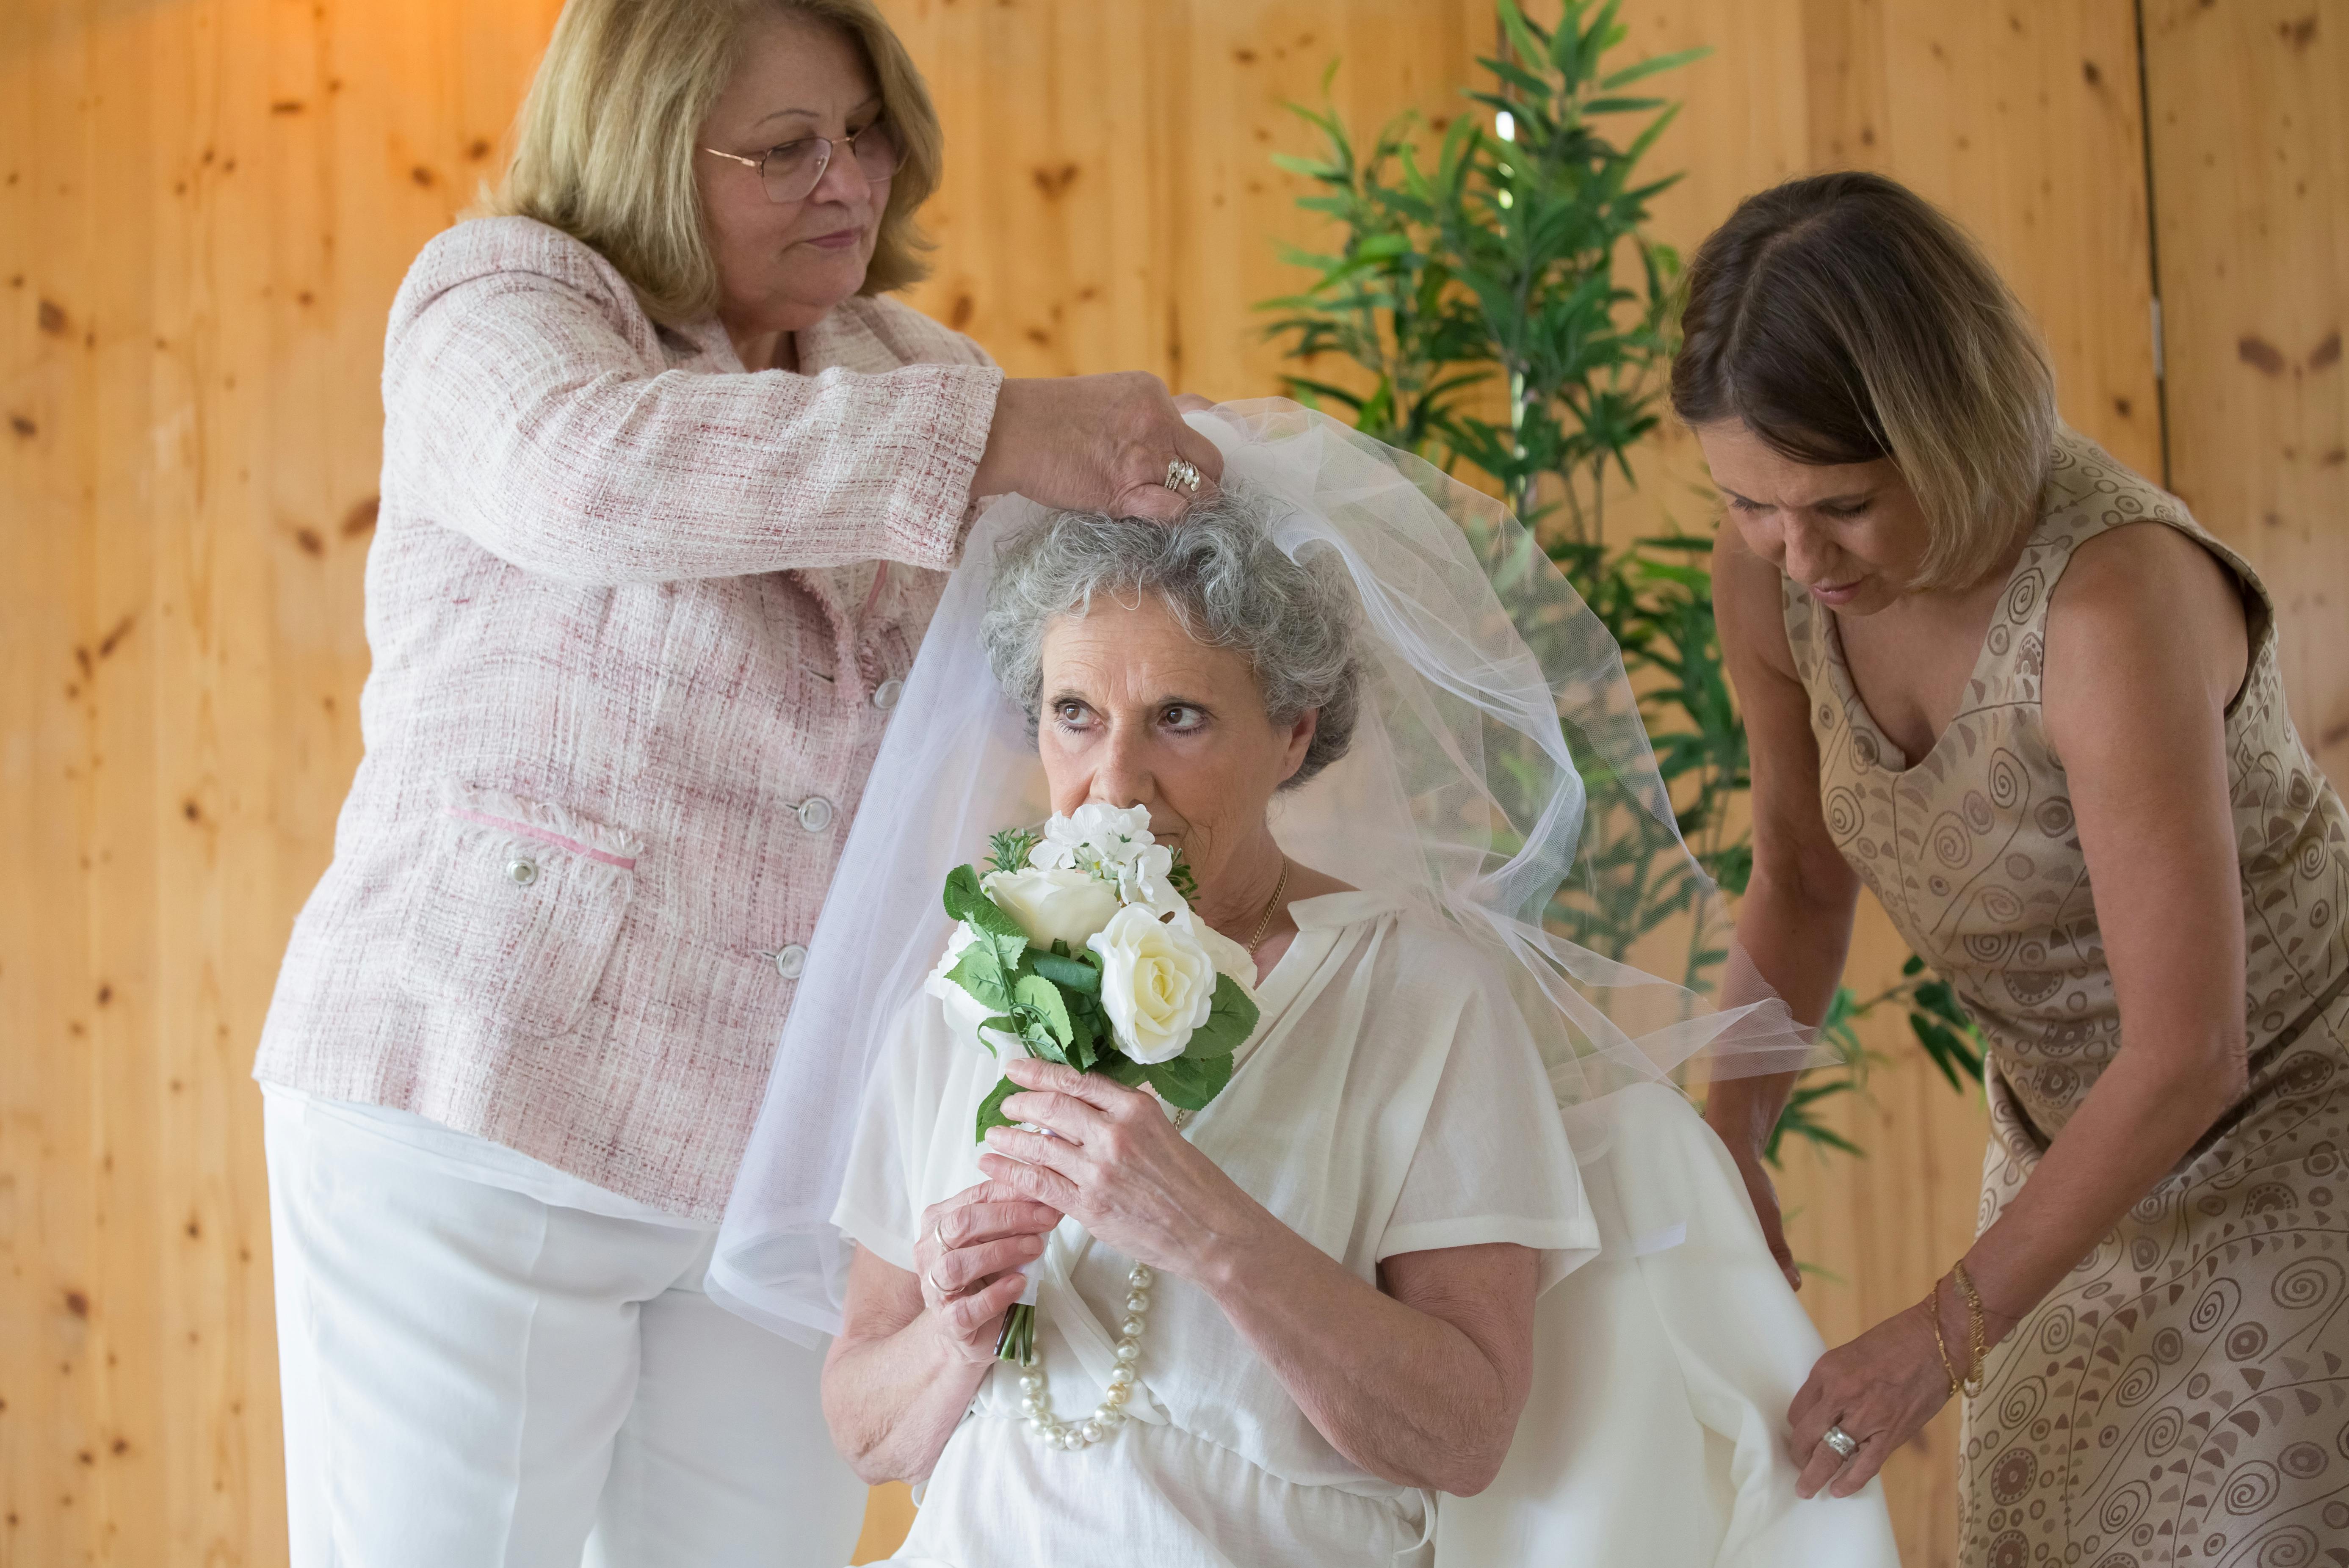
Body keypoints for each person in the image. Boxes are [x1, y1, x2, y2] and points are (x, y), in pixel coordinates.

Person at [249, 0, 1221, 1561]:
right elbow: (596, 469)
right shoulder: (501, 302)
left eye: (867, 132)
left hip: (782, 1152)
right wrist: (1002, 430)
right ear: (644, 148)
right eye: (785, 149)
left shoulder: (913, 368)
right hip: (482, 1092)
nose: (850, 181)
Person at [749, 404, 1901, 1566]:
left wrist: (1208, 1233)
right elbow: (865, 1428)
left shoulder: (1417, 994)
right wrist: (953, 1334)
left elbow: (1465, 1435)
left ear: (1293, 734)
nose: (1113, 783)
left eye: (1181, 719)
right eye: (1073, 716)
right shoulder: (977, 976)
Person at [1685, 172, 2349, 1564]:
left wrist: (1934, 1337)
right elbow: (1802, 875)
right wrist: (1726, 1132)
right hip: (2067, 1140)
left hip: (2296, 1112)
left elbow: (2189, 1050)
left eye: (1844, 504)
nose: (1798, 555)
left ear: (1952, 425)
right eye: (1750, 502)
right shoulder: (1770, 577)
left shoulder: (2110, 596)